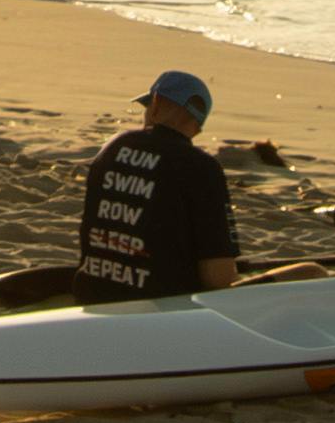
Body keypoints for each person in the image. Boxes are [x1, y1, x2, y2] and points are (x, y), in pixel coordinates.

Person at [73, 65, 244, 295]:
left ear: (155, 105)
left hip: (93, 291)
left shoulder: (112, 147)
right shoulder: (201, 167)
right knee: (306, 272)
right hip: (161, 307)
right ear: (196, 127)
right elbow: (217, 278)